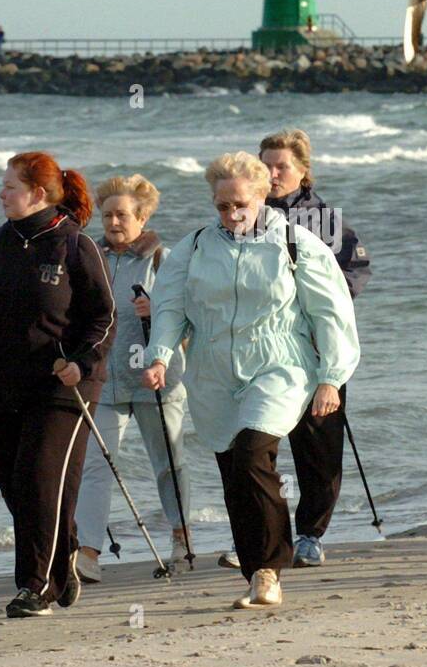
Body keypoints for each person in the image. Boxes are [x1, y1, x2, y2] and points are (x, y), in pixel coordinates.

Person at [141, 152, 359, 609]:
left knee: (252, 452)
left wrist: (331, 379)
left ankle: (268, 569)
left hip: (281, 363)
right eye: (222, 206)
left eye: (240, 203)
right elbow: (169, 307)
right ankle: (255, 569)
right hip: (213, 369)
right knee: (234, 472)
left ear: (262, 196)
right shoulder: (195, 247)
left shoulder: (297, 245)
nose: (232, 214)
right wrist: (160, 355)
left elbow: (333, 315)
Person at [0, 152, 115, 618]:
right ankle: (65, 552)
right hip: (0, 383)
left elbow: (104, 315)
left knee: (39, 481)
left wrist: (81, 361)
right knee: (12, 483)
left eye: (9, 187)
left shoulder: (74, 245)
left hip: (64, 386)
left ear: (38, 194)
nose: (1, 194)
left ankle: (35, 587)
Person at [256, 128, 371, 568]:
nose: (272, 173)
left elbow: (357, 268)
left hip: (319, 350)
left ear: (304, 171)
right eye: (265, 164)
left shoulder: (324, 218)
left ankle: (309, 534)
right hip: (264, 350)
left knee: (318, 449)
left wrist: (320, 304)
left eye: (281, 165)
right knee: (257, 442)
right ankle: (264, 533)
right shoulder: (246, 215)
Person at [73, 173, 190, 583]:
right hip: (105, 380)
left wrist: (155, 311)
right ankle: (87, 552)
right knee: (96, 465)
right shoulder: (90, 256)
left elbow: (187, 319)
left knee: (168, 463)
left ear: (141, 217)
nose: (113, 223)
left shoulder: (166, 259)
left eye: (122, 215)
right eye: (107, 215)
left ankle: (181, 538)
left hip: (157, 379)